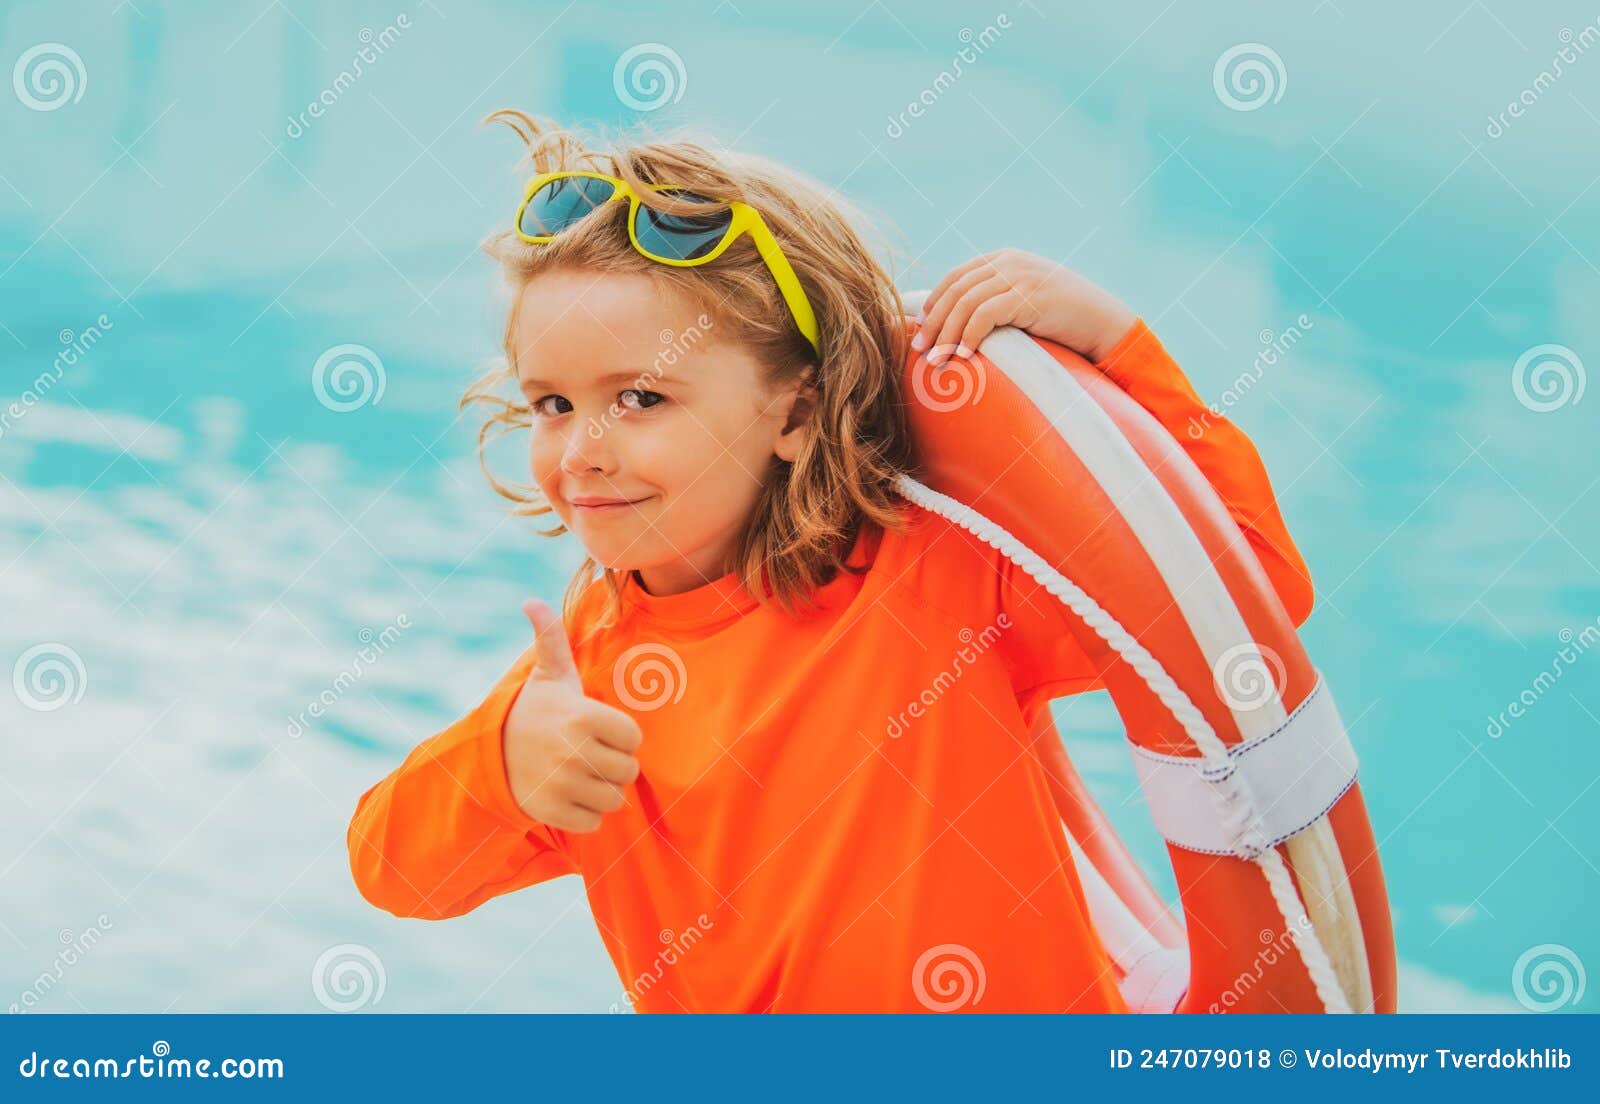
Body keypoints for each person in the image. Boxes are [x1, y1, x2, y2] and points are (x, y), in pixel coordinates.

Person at [346, 109, 1314, 1013]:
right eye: (552, 404)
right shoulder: (593, 672)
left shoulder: (935, 585)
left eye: (641, 398)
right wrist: (502, 769)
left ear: (798, 412)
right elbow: (395, 872)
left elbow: (1247, 600)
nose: (581, 449)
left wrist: (1122, 348)